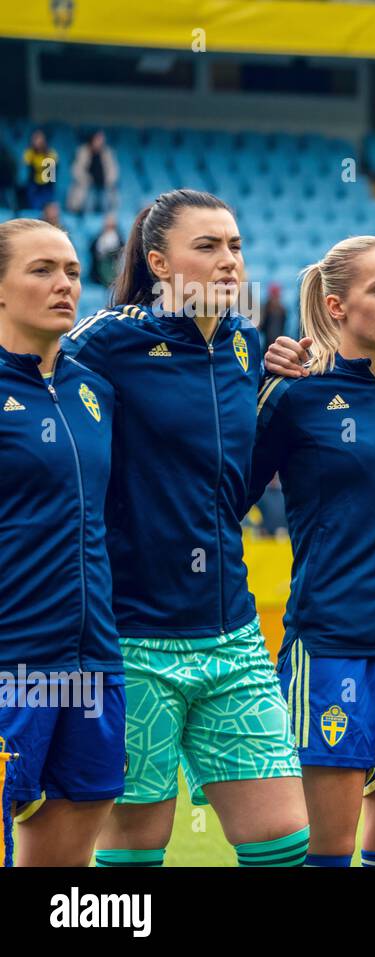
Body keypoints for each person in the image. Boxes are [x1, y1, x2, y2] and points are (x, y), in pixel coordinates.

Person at [60, 189, 309, 868]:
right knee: (135, 849)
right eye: (208, 247)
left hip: (231, 631)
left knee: (285, 841)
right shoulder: (105, 341)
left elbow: (235, 486)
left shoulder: (243, 343)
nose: (229, 261)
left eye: (234, 246)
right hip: (132, 633)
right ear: (158, 262)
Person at [248, 237, 375, 868]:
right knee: (327, 853)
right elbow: (225, 499)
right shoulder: (293, 395)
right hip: (333, 639)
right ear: (335, 305)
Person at [0, 219, 120, 866]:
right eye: (42, 270)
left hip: (93, 665)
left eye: (73, 271)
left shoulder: (93, 389)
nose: (65, 284)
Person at [67, 131, 119, 215]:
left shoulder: (107, 152)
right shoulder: (82, 151)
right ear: (92, 140)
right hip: (86, 186)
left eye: (102, 140)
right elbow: (76, 171)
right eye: (98, 139)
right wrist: (87, 179)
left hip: (103, 187)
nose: (100, 142)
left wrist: (107, 181)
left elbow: (113, 171)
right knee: (87, 197)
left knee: (109, 196)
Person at [21, 130, 57, 211]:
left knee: (47, 200)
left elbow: (51, 175)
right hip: (33, 184)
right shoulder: (29, 153)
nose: (37, 142)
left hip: (47, 185)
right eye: (35, 139)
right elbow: (25, 169)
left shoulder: (51, 153)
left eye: (40, 139)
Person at [87, 215, 123, 287]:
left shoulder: (121, 241)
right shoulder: (96, 240)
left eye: (112, 227)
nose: (110, 230)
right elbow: (93, 253)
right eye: (107, 227)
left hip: (115, 272)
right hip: (98, 275)